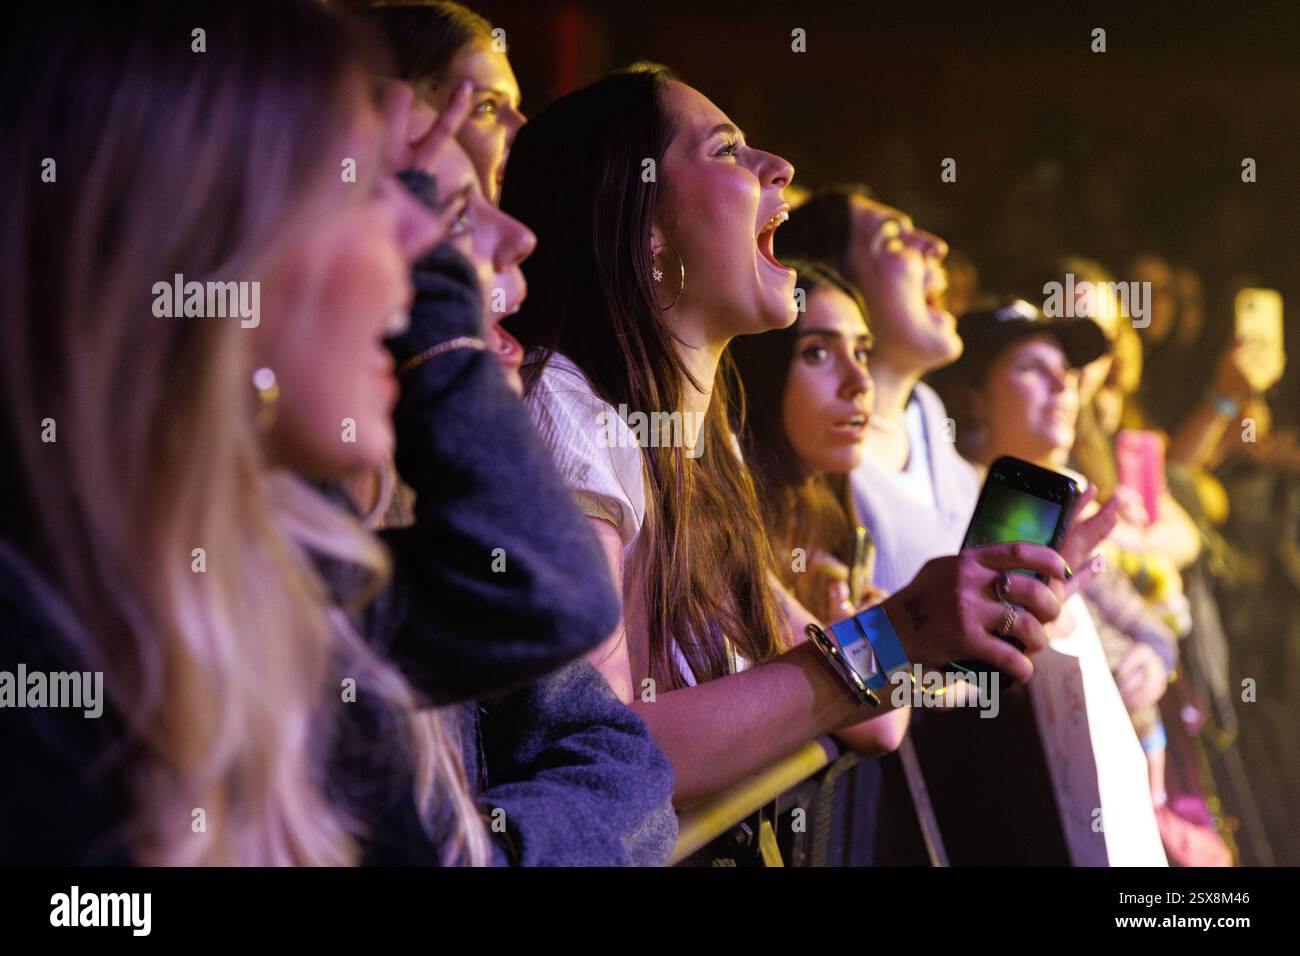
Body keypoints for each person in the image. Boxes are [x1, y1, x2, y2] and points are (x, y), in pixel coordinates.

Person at [500, 65, 1090, 810]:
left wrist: (931, 629)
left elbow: (880, 720)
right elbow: (604, 757)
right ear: (645, 231)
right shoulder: (562, 409)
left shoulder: (707, 456)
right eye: (725, 152)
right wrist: (900, 631)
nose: (776, 166)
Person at [929, 300, 1168, 865]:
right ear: (975, 395)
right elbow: (946, 684)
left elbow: (1150, 625)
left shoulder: (1073, 496)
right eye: (1032, 367)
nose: (1062, 383)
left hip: (1114, 791)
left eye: (1066, 371)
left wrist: (1153, 660)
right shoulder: (949, 503)